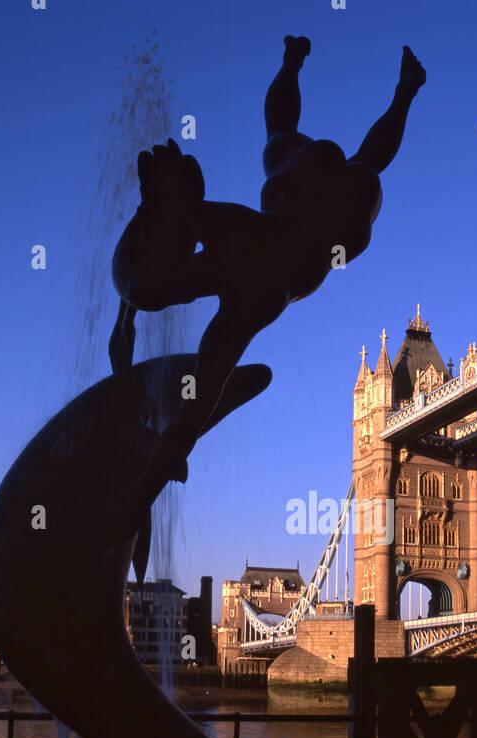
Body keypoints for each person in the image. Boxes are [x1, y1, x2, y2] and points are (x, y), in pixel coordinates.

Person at [110, 35, 427, 501]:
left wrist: (146, 484)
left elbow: (193, 406)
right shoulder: (227, 241)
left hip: (319, 207)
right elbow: (190, 404)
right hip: (315, 203)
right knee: (287, 140)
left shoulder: (242, 288)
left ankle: (378, 83)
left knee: (333, 152)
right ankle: (328, 69)